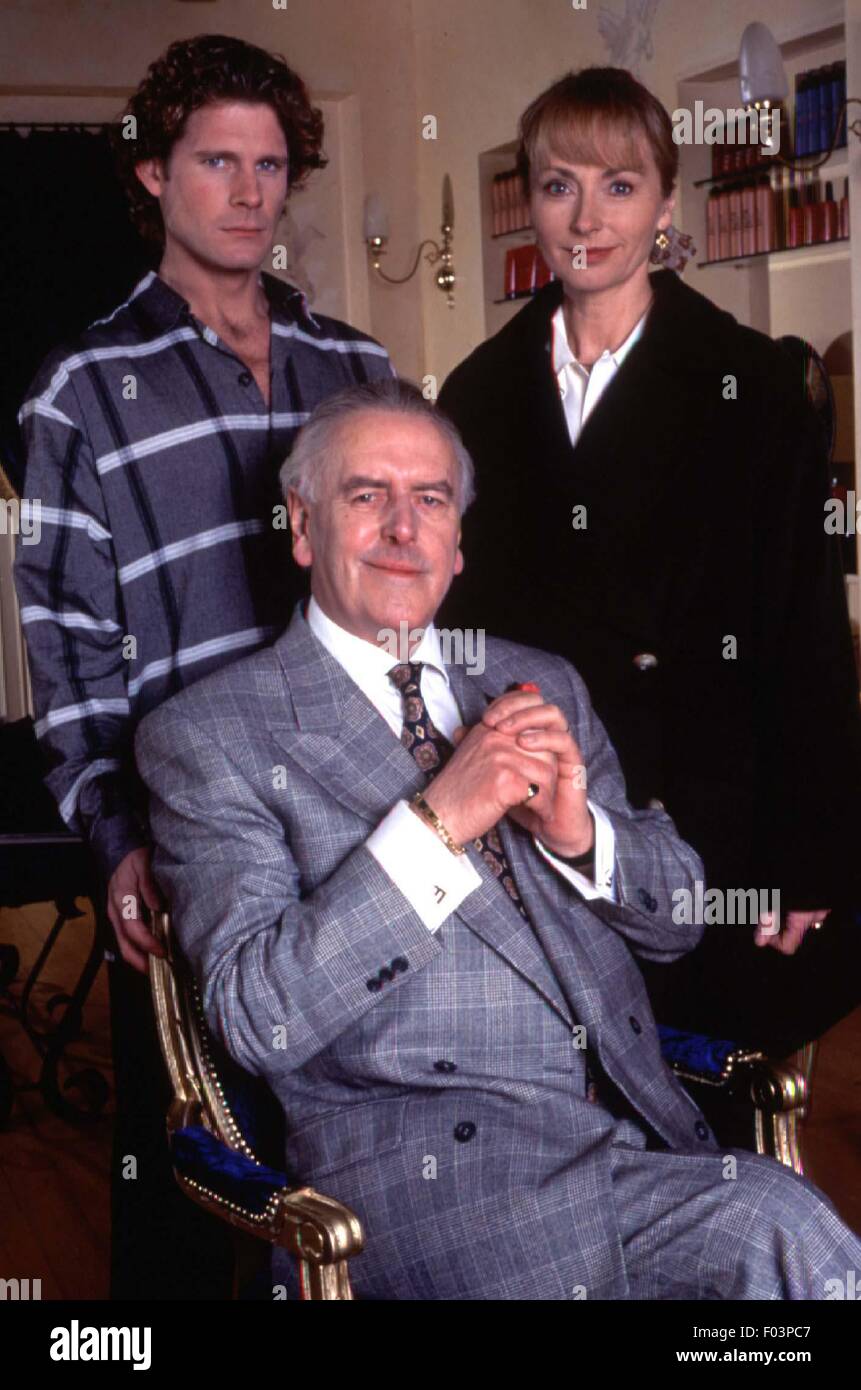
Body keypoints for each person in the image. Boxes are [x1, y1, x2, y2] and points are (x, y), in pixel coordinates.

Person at [136, 379, 861, 1301]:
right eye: (367, 497)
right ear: (303, 527)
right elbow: (255, 1016)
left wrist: (580, 835)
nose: (404, 528)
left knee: (786, 1235)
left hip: (629, 1145)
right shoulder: (212, 735)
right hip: (427, 1191)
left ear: (457, 541)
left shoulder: (531, 678)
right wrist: (437, 823)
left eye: (430, 500)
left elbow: (676, 919)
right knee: (761, 1231)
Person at [14, 33, 393, 1299]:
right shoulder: (83, 393)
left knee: (369, 1167)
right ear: (154, 175)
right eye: (216, 160)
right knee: (194, 1177)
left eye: (271, 164)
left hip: (368, 831)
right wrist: (116, 834)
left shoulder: (359, 371)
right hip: (196, 851)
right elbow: (66, 647)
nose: (247, 191)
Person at [437, 66, 861, 1055]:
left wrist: (812, 863)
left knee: (709, 1110)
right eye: (558, 186)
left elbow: (805, 639)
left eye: (619, 187)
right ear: (529, 201)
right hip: (534, 820)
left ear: (667, 204)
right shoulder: (477, 391)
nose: (586, 218)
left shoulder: (753, 385)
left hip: (708, 829)